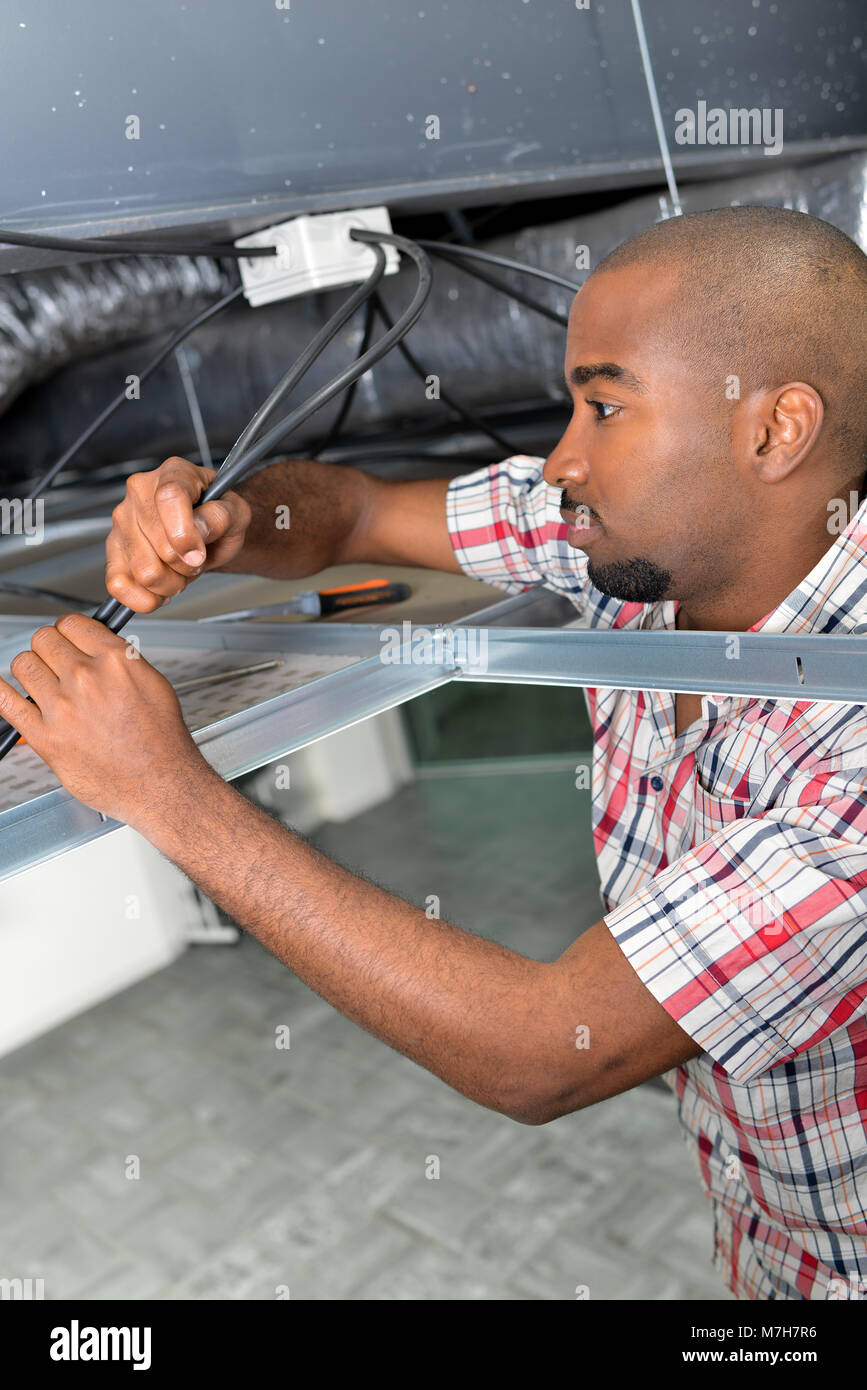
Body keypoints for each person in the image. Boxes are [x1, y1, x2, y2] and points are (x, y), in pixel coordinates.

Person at [2, 205, 866, 1301]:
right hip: (762, 1224)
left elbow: (549, 1048)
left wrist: (169, 794)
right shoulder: (649, 541)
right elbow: (353, 511)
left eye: (604, 406)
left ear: (775, 430)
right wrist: (222, 519)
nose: (563, 457)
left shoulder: (853, 762)